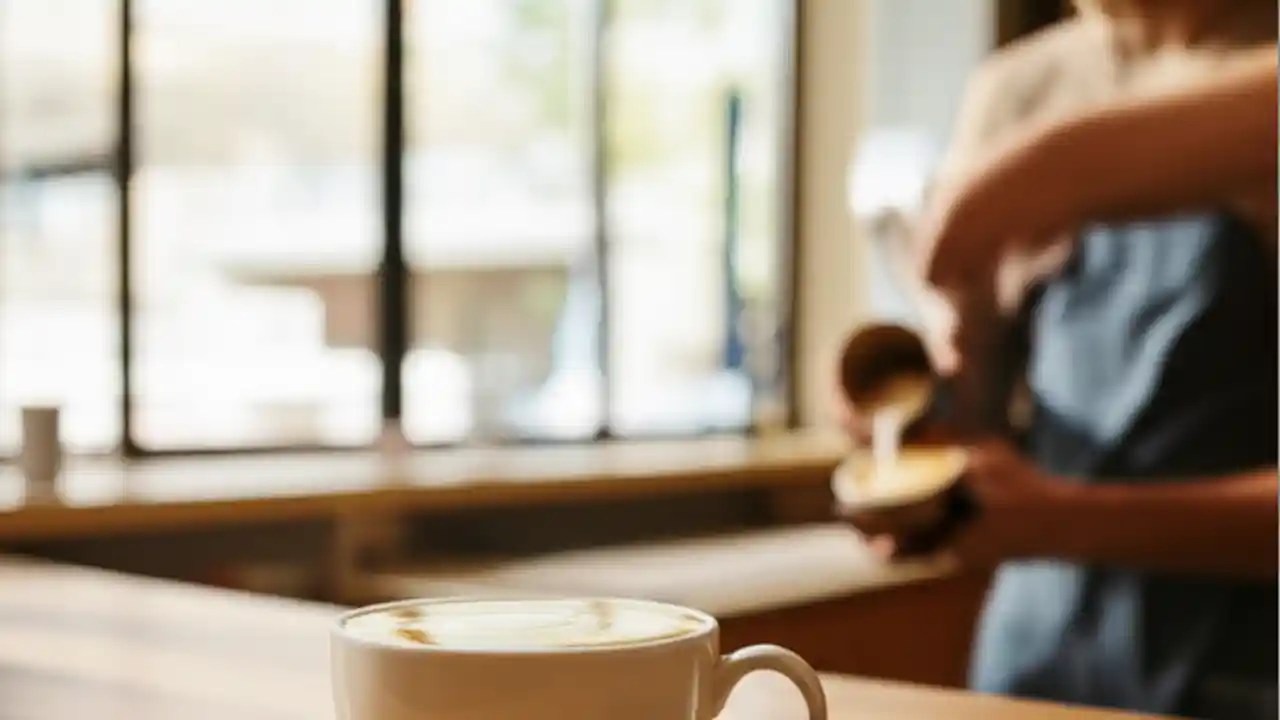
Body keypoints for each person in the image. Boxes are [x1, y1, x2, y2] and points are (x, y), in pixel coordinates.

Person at [843, 1, 1278, 717]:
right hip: (1034, 652)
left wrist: (1067, 521)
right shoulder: (1018, 89)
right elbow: (977, 401)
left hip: (1240, 665)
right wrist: (916, 425)